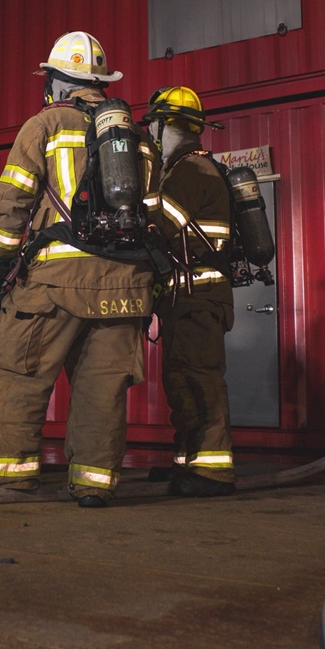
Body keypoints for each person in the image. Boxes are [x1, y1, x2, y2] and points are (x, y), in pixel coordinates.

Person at [0, 31, 161, 508]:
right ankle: (94, 484)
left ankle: (10, 477)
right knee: (102, 387)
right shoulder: (137, 137)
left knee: (17, 373)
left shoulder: (46, 124)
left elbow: (12, 201)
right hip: (126, 285)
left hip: (56, 282)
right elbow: (152, 211)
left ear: (56, 81)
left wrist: (0, 262)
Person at [143, 86, 235, 497]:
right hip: (188, 298)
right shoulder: (186, 167)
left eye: (154, 126)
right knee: (183, 380)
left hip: (199, 297)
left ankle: (212, 471)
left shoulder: (190, 170)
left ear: (165, 125)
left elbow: (158, 226)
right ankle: (188, 462)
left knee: (200, 381)